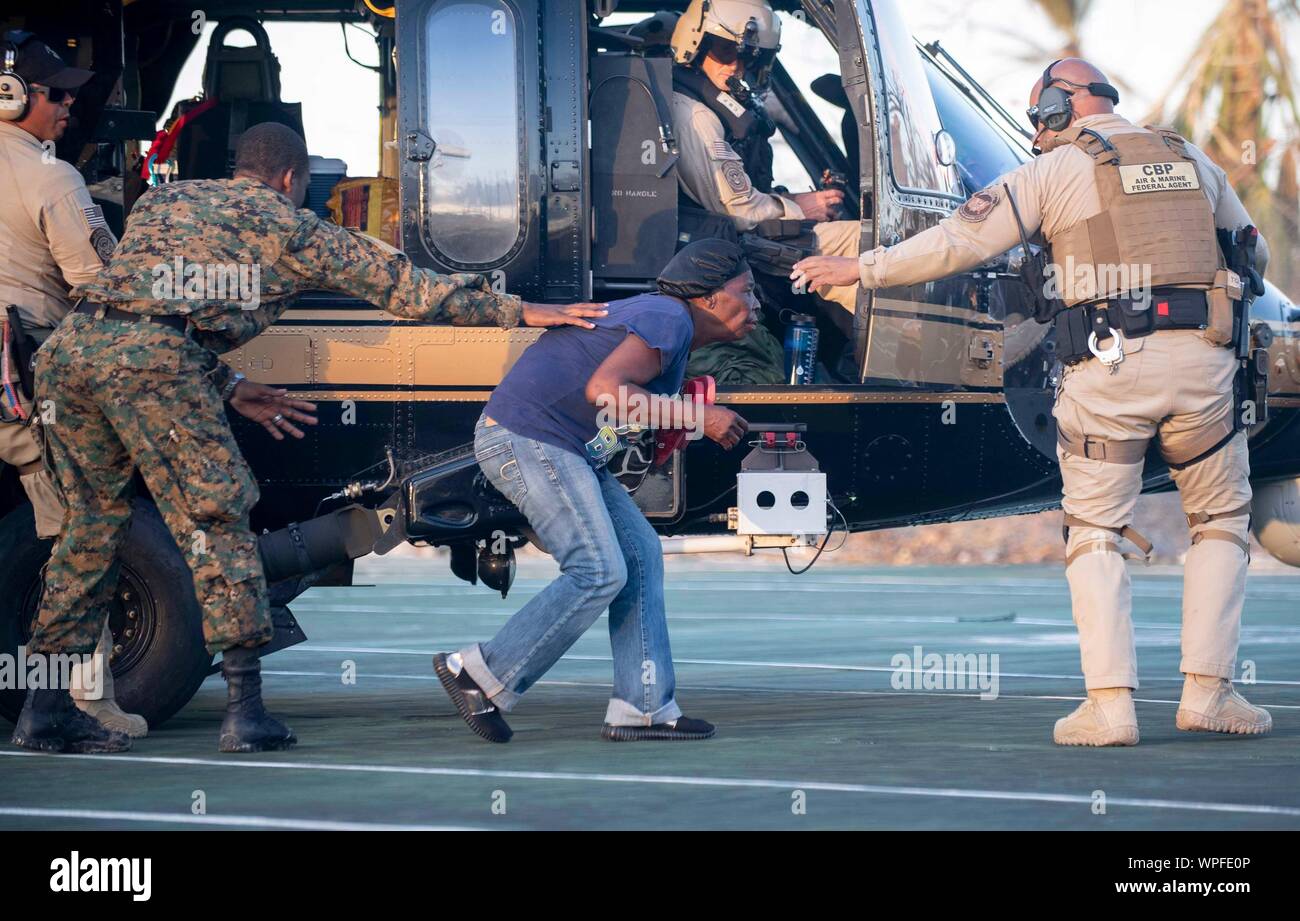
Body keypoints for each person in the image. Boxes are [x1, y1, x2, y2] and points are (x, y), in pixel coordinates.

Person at [11, 121, 607, 756]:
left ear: (240, 164)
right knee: (217, 521)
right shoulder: (293, 230)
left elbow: (146, 307)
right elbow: (409, 292)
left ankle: (43, 712)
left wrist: (223, 379)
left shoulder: (164, 200)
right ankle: (246, 714)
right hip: (153, 369)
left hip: (68, 358)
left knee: (89, 531)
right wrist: (521, 312)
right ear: (292, 179)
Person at [792, 58, 1271, 746]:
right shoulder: (1186, 156)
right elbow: (1252, 253)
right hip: (1205, 365)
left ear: (1057, 107)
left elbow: (958, 241)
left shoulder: (1052, 171)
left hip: (1111, 368)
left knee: (1095, 532)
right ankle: (1209, 694)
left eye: (1036, 118)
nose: (1035, 132)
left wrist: (860, 268)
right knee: (1222, 521)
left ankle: (1110, 707)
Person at [434, 239, 754, 743]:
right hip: (531, 437)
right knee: (598, 568)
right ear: (710, 298)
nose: (756, 304)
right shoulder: (670, 316)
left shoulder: (667, 322)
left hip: (567, 447)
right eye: (748, 290)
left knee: (641, 556)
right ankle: (479, 673)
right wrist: (699, 417)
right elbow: (605, 391)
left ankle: (642, 707)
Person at [0, 30, 147, 737]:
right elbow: (105, 288)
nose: (69, 104)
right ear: (14, 95)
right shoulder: (51, 179)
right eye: (56, 93)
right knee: (81, 537)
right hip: (26, 384)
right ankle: (81, 703)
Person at [670, 0, 861, 322]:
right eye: (725, 51)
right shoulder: (696, 114)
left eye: (749, 57)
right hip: (728, 243)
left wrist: (788, 199)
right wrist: (801, 208)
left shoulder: (724, 102)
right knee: (862, 242)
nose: (735, 66)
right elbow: (738, 210)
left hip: (734, 237)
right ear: (696, 44)